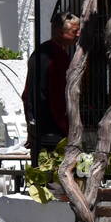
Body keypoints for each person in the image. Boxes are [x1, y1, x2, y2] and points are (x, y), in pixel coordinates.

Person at [23, 12, 81, 156]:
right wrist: (66, 127)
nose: (79, 34)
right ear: (60, 32)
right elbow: (57, 96)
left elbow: (27, 95)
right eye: (75, 31)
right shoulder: (57, 57)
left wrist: (31, 127)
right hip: (54, 132)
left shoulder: (39, 52)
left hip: (38, 129)